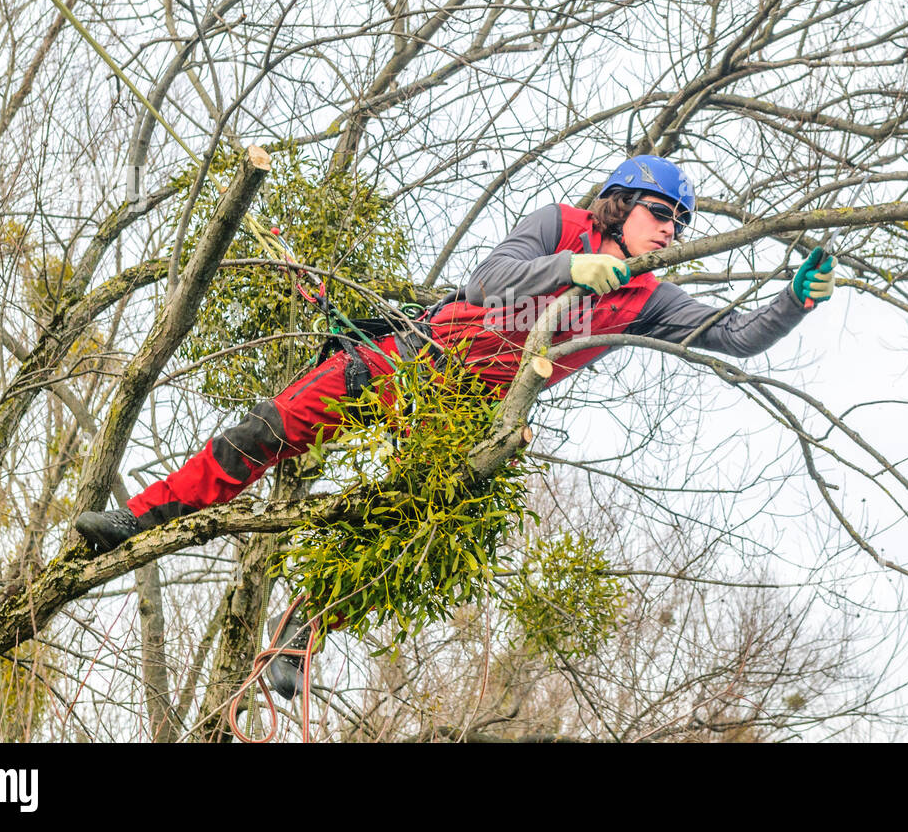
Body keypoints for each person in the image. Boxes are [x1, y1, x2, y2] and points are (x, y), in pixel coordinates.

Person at [75, 155, 836, 694]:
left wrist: (796, 302)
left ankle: (301, 631)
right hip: (414, 357)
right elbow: (488, 280)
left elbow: (734, 337)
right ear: (618, 205)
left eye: (682, 221)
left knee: (421, 529)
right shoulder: (559, 224)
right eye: (660, 212)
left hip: (467, 419)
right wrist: (569, 271)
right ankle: (138, 519)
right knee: (265, 429)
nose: (672, 229)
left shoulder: (650, 301)